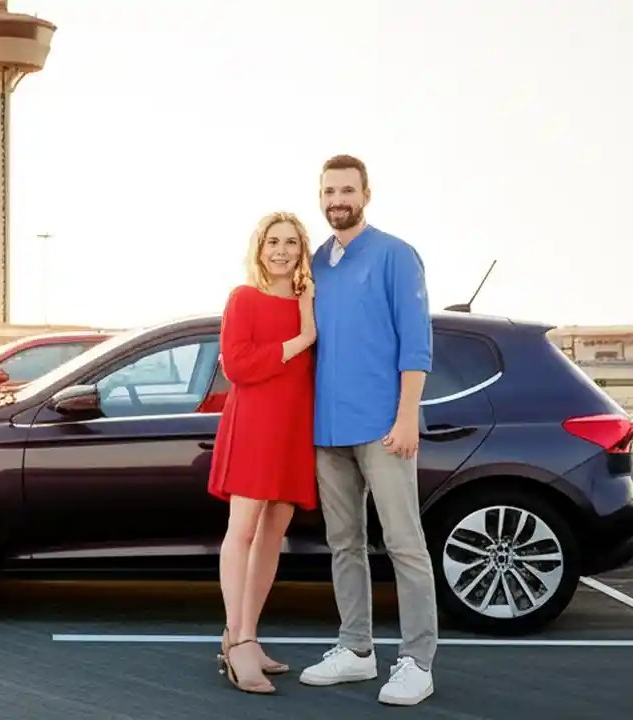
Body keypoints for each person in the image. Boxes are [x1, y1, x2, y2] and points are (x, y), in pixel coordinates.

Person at [297, 154, 438, 706]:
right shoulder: (316, 264)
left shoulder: (396, 256)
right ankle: (356, 650)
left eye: (347, 190)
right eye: (329, 190)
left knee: (405, 545)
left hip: (383, 429)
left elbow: (415, 343)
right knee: (343, 545)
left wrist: (406, 417)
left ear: (366, 193)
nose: (338, 199)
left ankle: (417, 661)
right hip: (327, 431)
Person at [208, 211, 319, 694]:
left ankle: (245, 634)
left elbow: (317, 351)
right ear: (259, 248)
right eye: (272, 241)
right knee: (244, 530)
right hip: (255, 424)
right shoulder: (244, 298)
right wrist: (297, 342)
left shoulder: (307, 300)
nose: (281, 250)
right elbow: (237, 364)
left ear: (301, 249)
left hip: (295, 428)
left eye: (290, 242)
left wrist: (308, 315)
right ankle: (239, 645)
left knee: (273, 535)